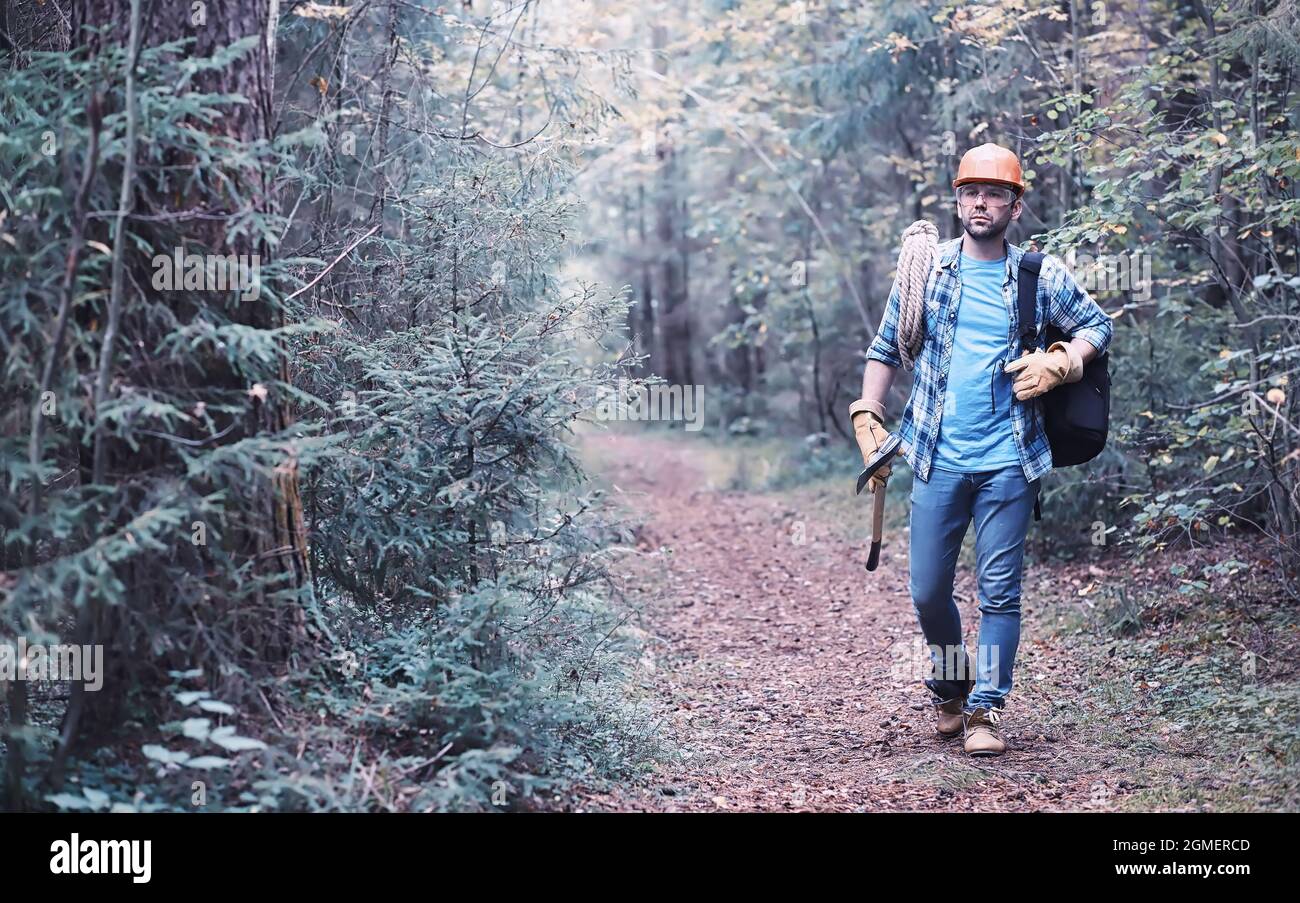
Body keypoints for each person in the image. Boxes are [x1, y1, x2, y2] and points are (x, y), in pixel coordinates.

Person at [850, 143, 1113, 756]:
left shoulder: (1037, 275)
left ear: (1015, 207)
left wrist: (1064, 360)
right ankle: (949, 686)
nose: (981, 202)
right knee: (926, 590)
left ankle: (985, 711)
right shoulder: (930, 271)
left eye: (995, 193)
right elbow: (885, 347)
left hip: (1010, 461)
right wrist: (868, 412)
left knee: (1000, 592)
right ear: (957, 199)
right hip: (937, 457)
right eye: (971, 191)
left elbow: (1097, 325)